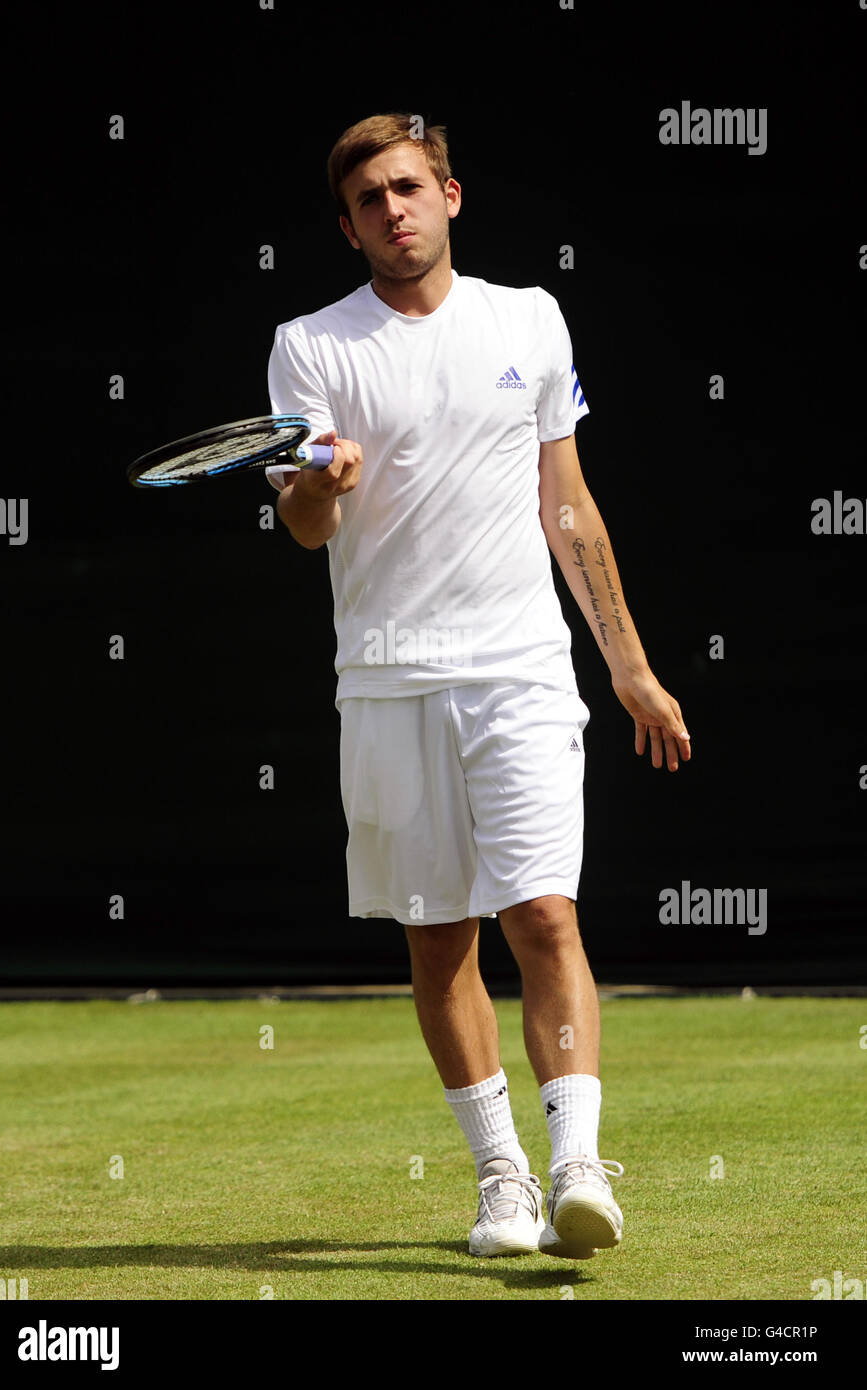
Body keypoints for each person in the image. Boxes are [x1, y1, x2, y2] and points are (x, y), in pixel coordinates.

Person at [266, 113, 691, 1261]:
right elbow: (302, 526)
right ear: (348, 225)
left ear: (449, 196)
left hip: (521, 671)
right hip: (387, 680)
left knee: (544, 913)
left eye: (408, 187)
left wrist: (630, 665)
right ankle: (501, 1177)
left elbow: (567, 503)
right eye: (368, 200)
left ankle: (575, 1168)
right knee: (436, 938)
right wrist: (320, 482)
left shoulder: (528, 320)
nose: (392, 210)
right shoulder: (308, 345)